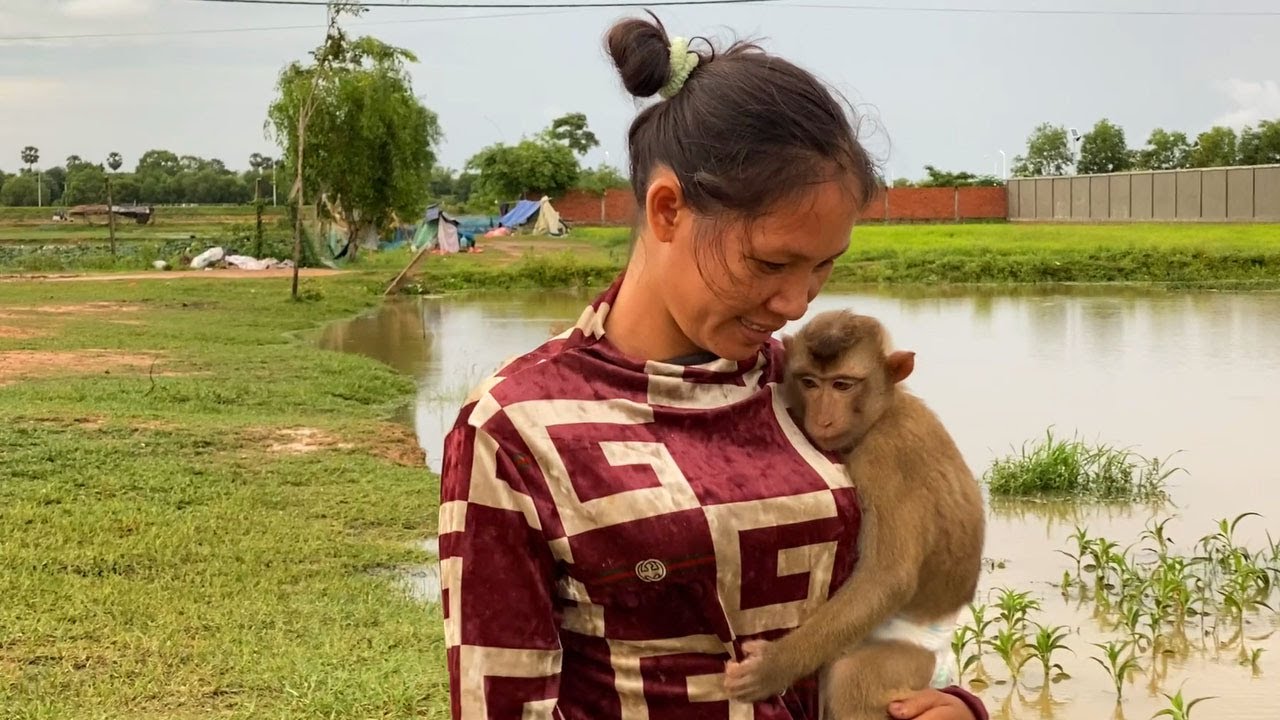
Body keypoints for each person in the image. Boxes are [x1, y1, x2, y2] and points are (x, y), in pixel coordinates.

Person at [437, 13, 988, 720]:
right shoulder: (518, 430)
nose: (794, 302)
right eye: (770, 262)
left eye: (823, 266)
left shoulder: (808, 394)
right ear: (667, 210)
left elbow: (906, 607)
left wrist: (950, 706)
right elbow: (502, 702)